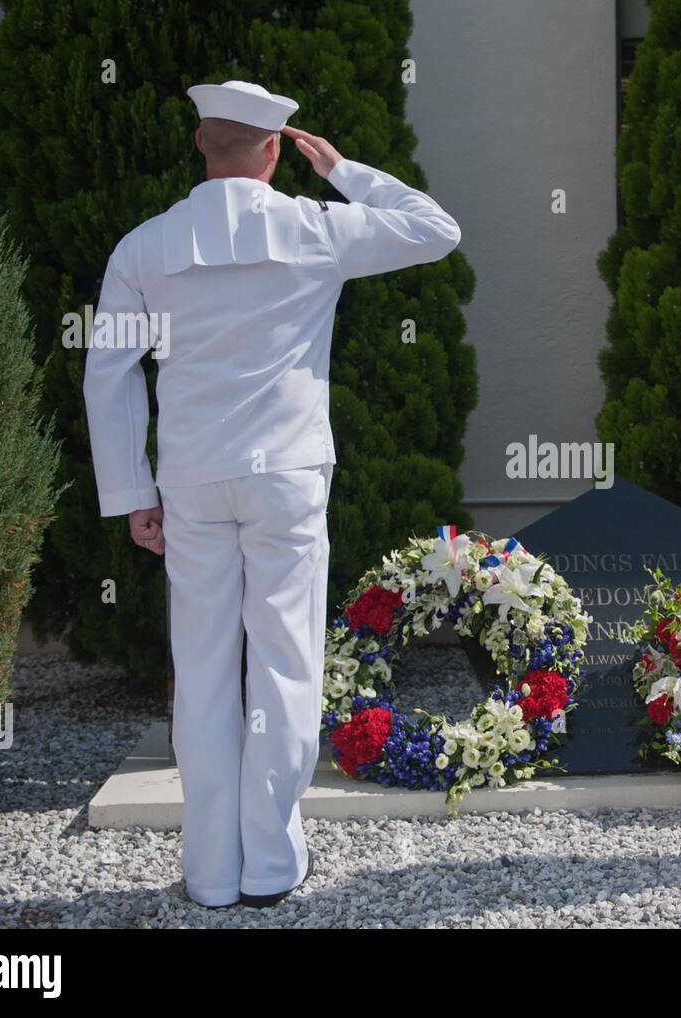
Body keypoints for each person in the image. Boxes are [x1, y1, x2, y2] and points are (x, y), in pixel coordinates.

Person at [83, 80, 461, 906]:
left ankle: (210, 871)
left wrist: (130, 492)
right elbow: (438, 230)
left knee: (206, 670)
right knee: (288, 666)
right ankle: (271, 863)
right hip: (285, 476)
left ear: (199, 145)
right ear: (271, 149)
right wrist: (345, 171)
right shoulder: (314, 226)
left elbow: (108, 373)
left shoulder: (143, 246)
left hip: (189, 479)